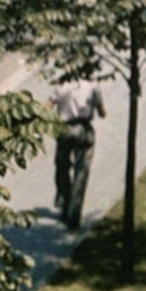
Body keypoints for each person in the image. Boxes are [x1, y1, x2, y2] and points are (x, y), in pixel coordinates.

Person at [52, 76, 105, 228]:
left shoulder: (62, 85)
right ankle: (74, 214)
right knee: (81, 172)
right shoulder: (94, 86)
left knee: (61, 166)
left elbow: (47, 106)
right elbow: (102, 111)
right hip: (83, 128)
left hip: (64, 128)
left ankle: (64, 199)